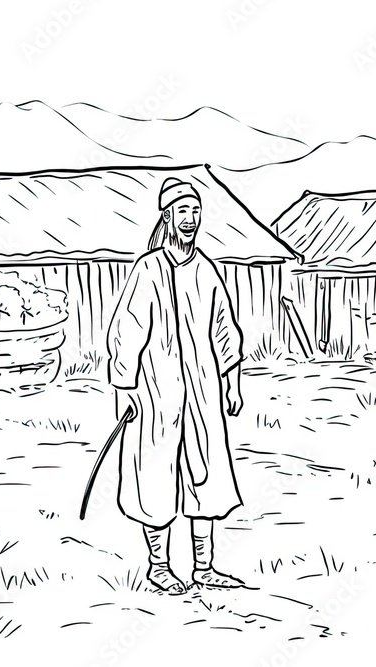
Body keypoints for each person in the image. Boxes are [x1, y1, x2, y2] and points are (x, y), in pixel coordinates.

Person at [106, 177, 246, 594]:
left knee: (205, 473)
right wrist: (126, 387)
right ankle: (158, 566)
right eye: (182, 211)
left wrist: (231, 382)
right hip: (156, 395)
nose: (190, 219)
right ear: (167, 216)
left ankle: (204, 566)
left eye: (195, 211)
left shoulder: (206, 270)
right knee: (156, 474)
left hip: (202, 391)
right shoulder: (147, 271)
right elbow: (126, 332)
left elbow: (225, 330)